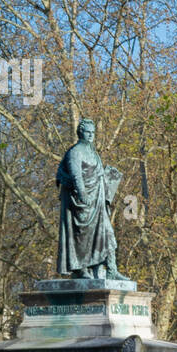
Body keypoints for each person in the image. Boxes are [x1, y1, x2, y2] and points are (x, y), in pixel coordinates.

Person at [56, 118, 126, 279]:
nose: (91, 135)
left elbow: (99, 175)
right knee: (82, 238)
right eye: (88, 132)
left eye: (93, 133)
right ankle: (80, 269)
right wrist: (82, 194)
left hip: (97, 202)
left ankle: (112, 270)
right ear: (81, 132)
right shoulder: (75, 152)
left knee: (108, 233)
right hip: (82, 204)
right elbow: (76, 176)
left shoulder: (93, 152)